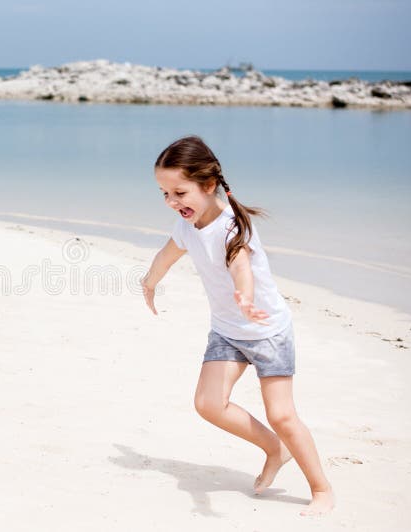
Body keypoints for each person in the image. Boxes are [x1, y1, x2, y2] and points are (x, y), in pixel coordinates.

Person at [140, 135, 335, 516]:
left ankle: (321, 488)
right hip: (227, 332)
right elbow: (167, 255)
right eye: (165, 194)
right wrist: (149, 282)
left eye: (179, 192)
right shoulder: (188, 225)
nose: (172, 202)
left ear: (208, 185)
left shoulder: (231, 227)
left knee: (282, 415)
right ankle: (275, 449)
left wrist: (245, 299)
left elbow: (240, 267)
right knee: (208, 404)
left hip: (267, 332)